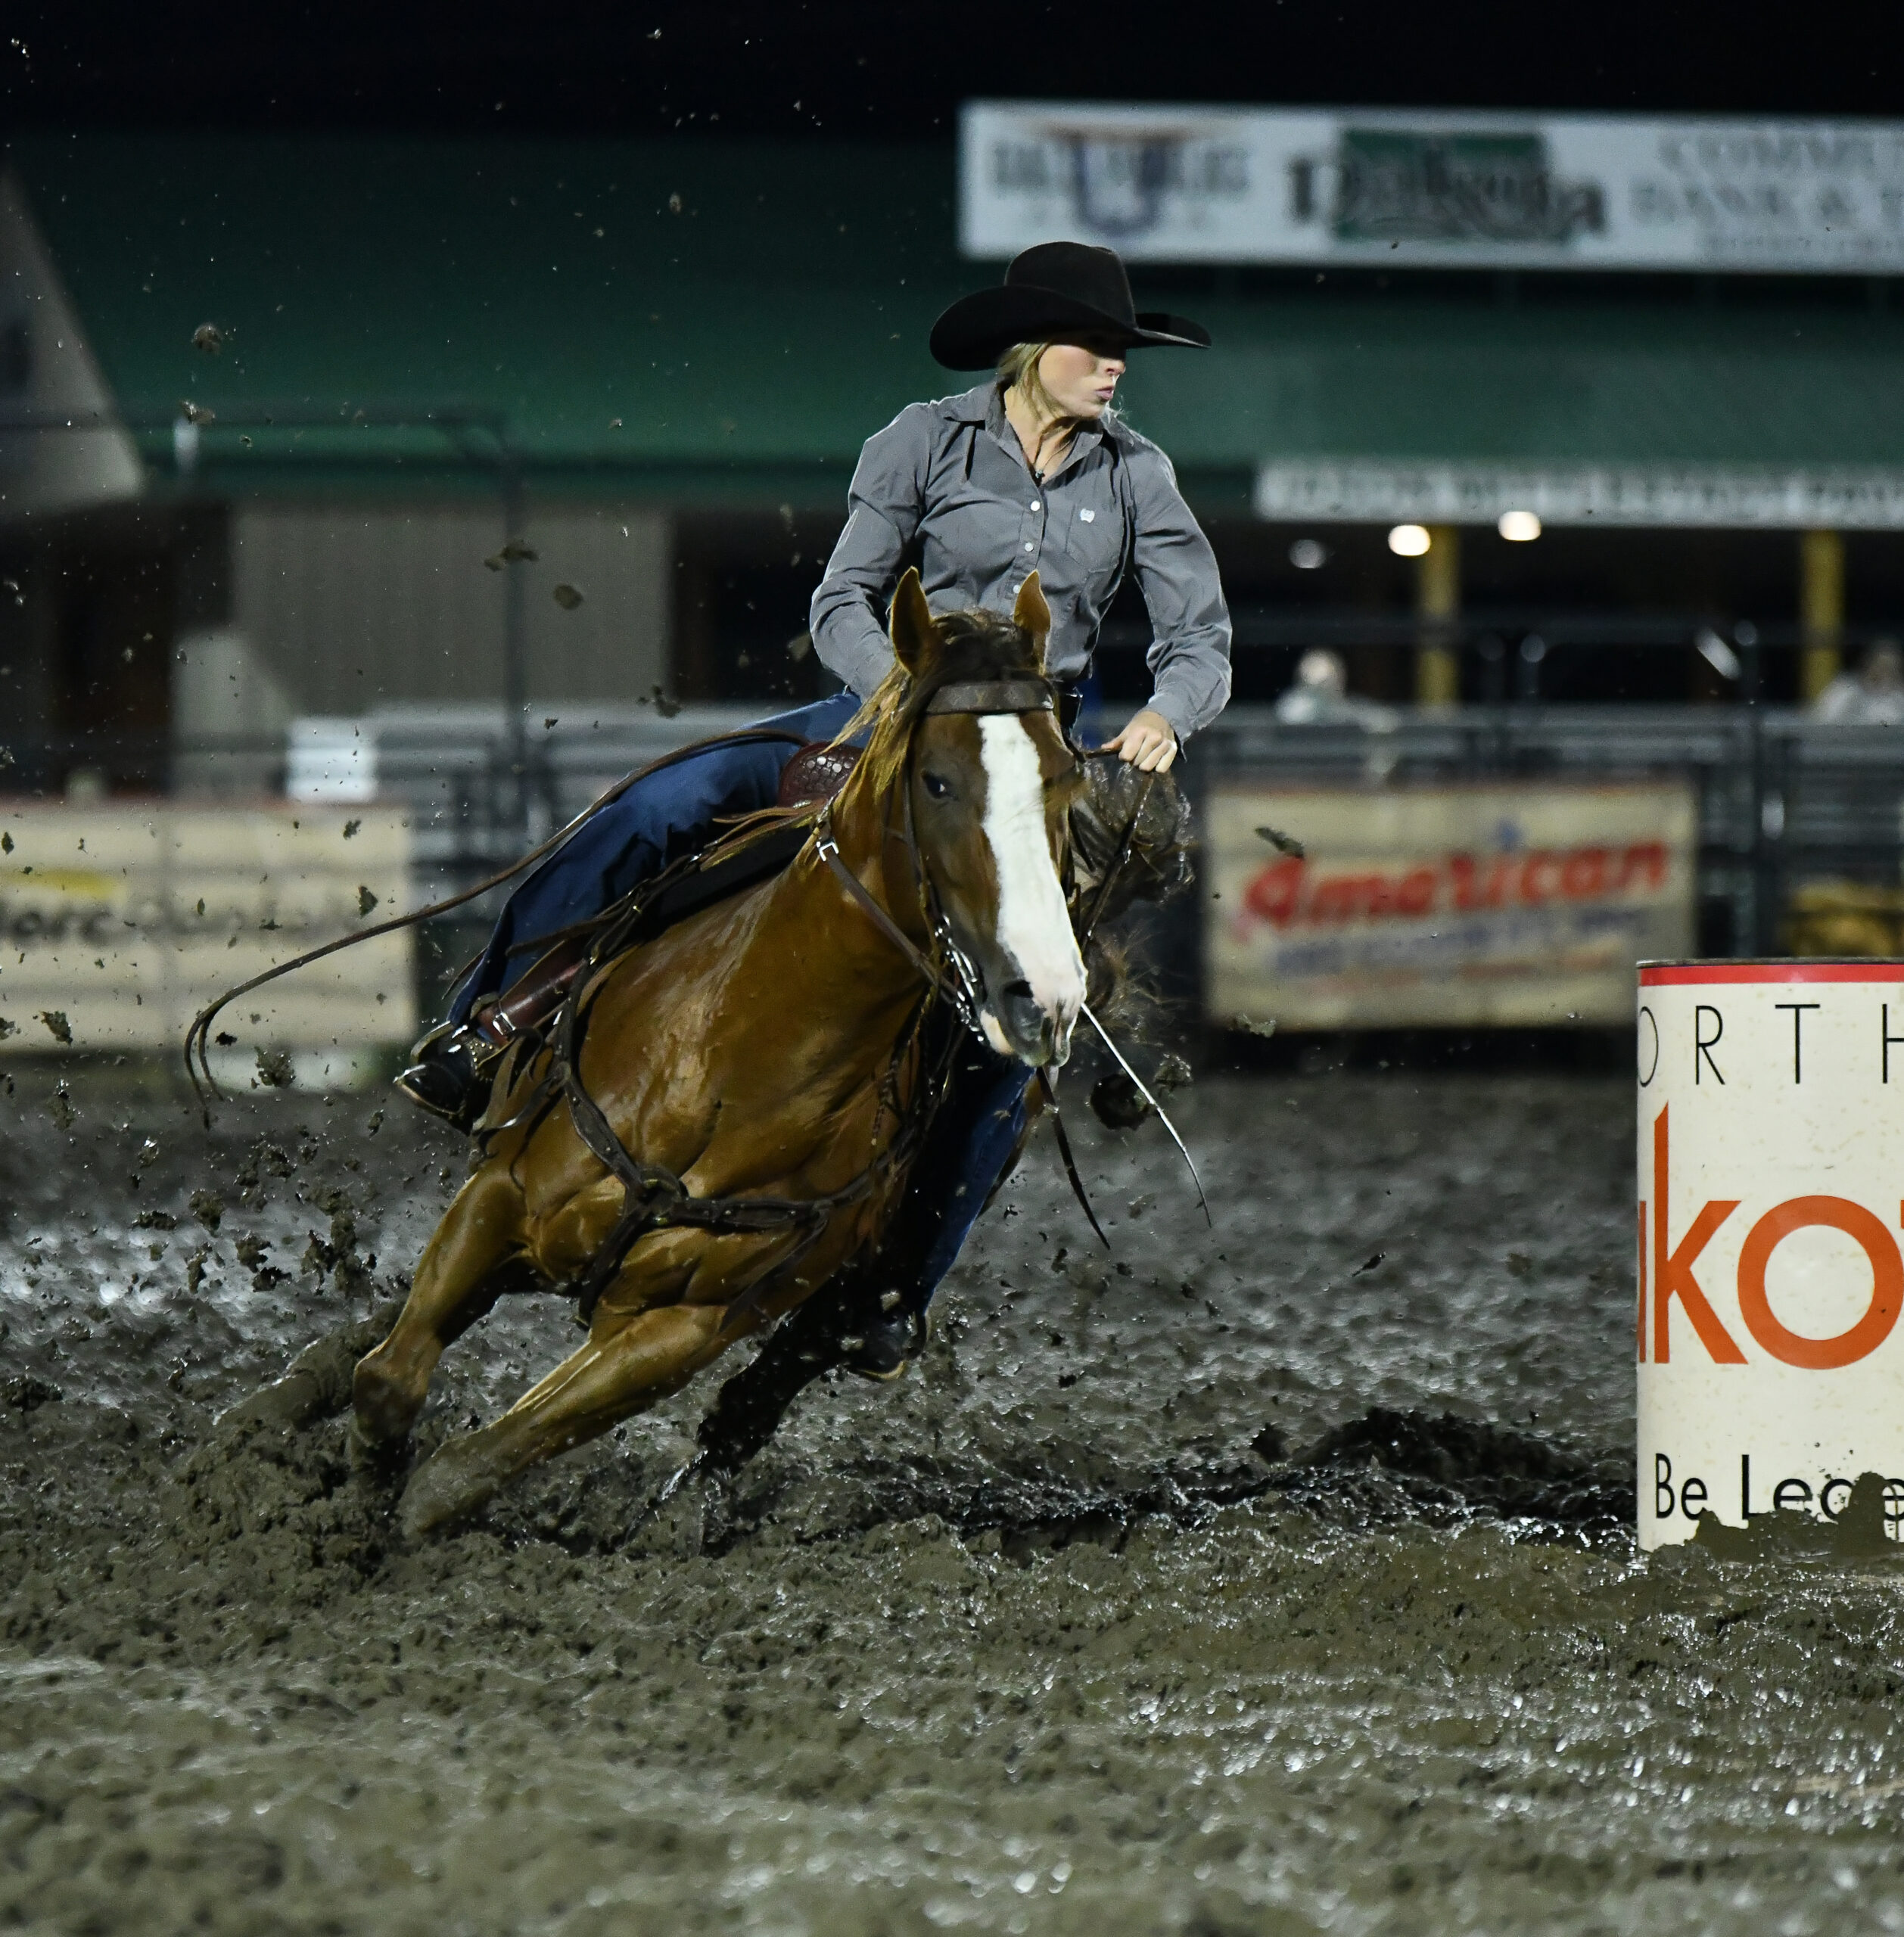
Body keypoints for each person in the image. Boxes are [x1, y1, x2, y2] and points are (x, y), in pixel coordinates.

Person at [395, 239, 1231, 1364]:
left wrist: (1168, 714)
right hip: (881, 719)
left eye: (1126, 352)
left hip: (1030, 760)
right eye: (1100, 348)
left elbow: (1201, 636)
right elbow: (845, 592)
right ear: (1033, 350)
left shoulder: (1140, 475)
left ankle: (896, 1288)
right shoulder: (921, 441)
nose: (1118, 368)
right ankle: (489, 1023)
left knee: (1010, 1048)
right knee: (655, 812)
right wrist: (894, 694)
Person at [1812, 640, 1904, 726]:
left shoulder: (1899, 699)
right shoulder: (1842, 691)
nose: (1884, 673)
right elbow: (1823, 720)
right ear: (1868, 665)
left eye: (1891, 669)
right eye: (1881, 666)